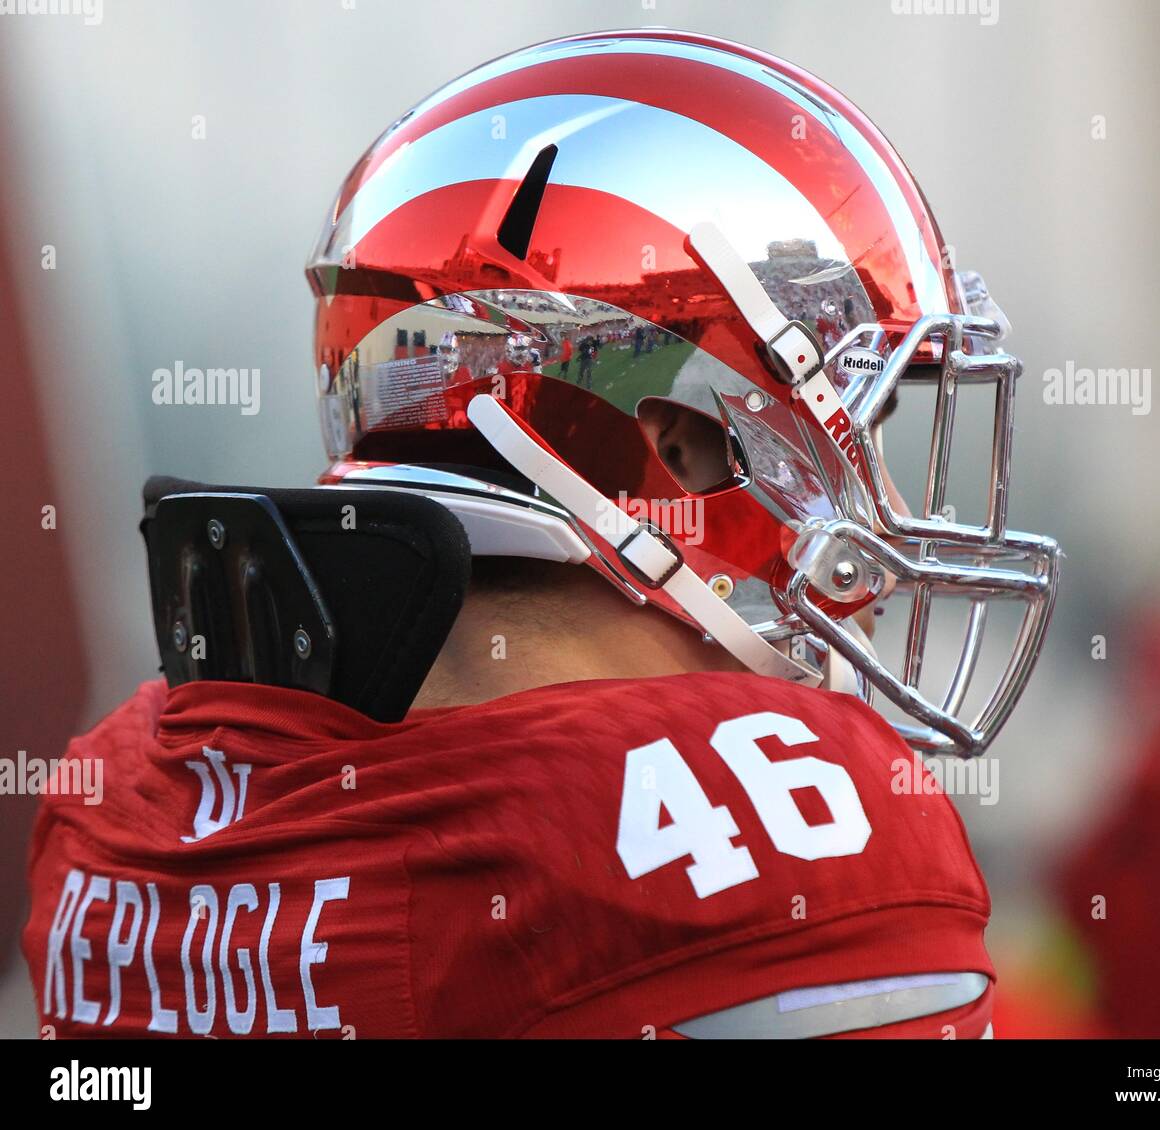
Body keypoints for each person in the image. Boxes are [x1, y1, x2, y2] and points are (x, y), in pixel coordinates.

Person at [24, 29, 1059, 1038]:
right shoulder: (775, 822)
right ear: (677, 447)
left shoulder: (128, 796)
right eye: (853, 440)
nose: (873, 505)